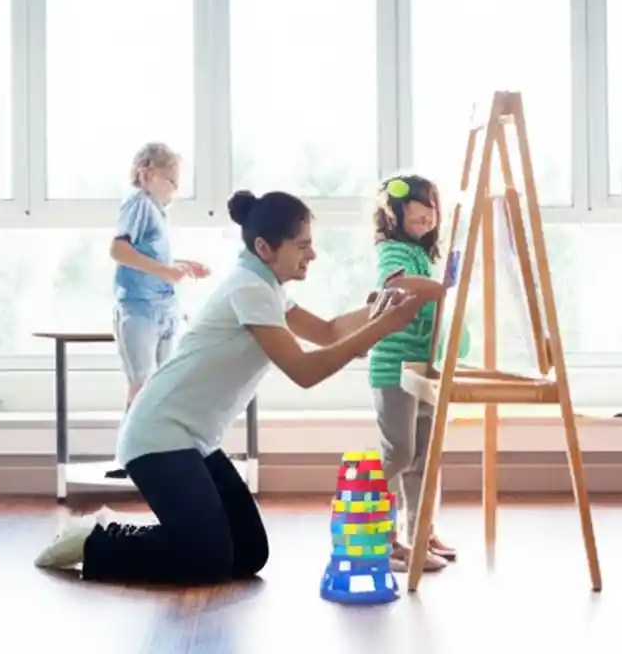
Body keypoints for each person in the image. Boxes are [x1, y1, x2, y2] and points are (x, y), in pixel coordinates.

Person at [34, 190, 425, 583]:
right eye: (303, 245)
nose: (313, 254)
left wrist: (380, 310)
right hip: (158, 437)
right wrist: (382, 327)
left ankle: (150, 536)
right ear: (264, 247)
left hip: (192, 441)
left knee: (248, 552)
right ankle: (95, 542)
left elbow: (328, 332)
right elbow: (304, 371)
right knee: (208, 558)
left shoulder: (267, 288)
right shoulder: (249, 289)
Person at [106, 143, 209, 477]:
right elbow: (119, 250)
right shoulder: (138, 203)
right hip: (140, 306)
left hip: (163, 306)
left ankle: (153, 451)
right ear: (147, 174)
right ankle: (131, 456)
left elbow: (151, 256)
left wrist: (181, 265)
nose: (174, 191)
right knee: (142, 382)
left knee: (161, 383)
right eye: (171, 182)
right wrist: (165, 271)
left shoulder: (155, 210)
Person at [367, 174, 452, 571]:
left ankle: (420, 536)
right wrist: (441, 288)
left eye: (433, 208)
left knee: (422, 458)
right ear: (395, 212)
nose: (429, 215)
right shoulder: (394, 250)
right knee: (398, 453)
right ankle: (377, 535)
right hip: (394, 367)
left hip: (423, 366)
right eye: (420, 207)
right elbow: (397, 282)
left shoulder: (422, 254)